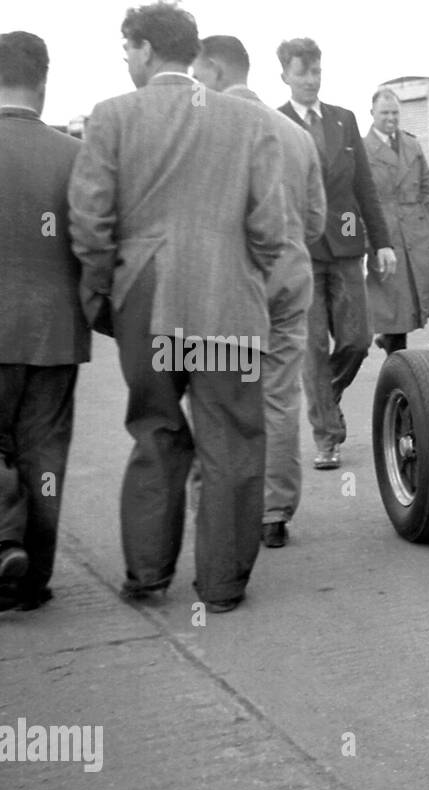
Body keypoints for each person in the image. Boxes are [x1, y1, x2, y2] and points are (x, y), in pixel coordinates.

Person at [68, 2, 287, 612]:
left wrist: (105, 292)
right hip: (228, 300)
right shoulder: (247, 123)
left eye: (126, 51)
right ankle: (221, 586)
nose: (127, 62)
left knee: (156, 431)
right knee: (234, 438)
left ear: (142, 49)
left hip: (144, 295)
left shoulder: (111, 118)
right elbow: (272, 229)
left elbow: (89, 223)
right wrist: (250, 279)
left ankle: (147, 577)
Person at [193, 35, 326, 550]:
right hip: (289, 281)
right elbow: (314, 223)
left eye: (199, 74)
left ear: (214, 70)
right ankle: (273, 514)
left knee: (220, 400)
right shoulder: (296, 135)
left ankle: (221, 509)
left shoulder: (207, 129)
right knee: (278, 397)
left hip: (225, 285)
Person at [0, 31, 90, 613]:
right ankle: (31, 580)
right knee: (44, 456)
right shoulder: (73, 156)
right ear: (44, 82)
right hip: (55, 332)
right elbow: (91, 245)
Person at [276, 37, 394, 471]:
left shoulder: (343, 122)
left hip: (346, 248)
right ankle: (328, 437)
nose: (311, 80)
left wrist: (381, 242)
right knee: (311, 349)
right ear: (285, 75)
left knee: (357, 340)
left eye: (317, 72)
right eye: (303, 72)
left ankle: (328, 395)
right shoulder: (275, 122)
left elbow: (365, 187)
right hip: (299, 254)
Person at [364, 87, 429, 356]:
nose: (391, 118)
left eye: (395, 112)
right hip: (384, 235)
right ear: (372, 113)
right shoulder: (362, 149)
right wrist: (357, 238)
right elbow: (353, 200)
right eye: (385, 113)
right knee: (392, 305)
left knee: (409, 303)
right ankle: (395, 359)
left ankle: (392, 348)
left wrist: (428, 217)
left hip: (414, 233)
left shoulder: (411, 144)